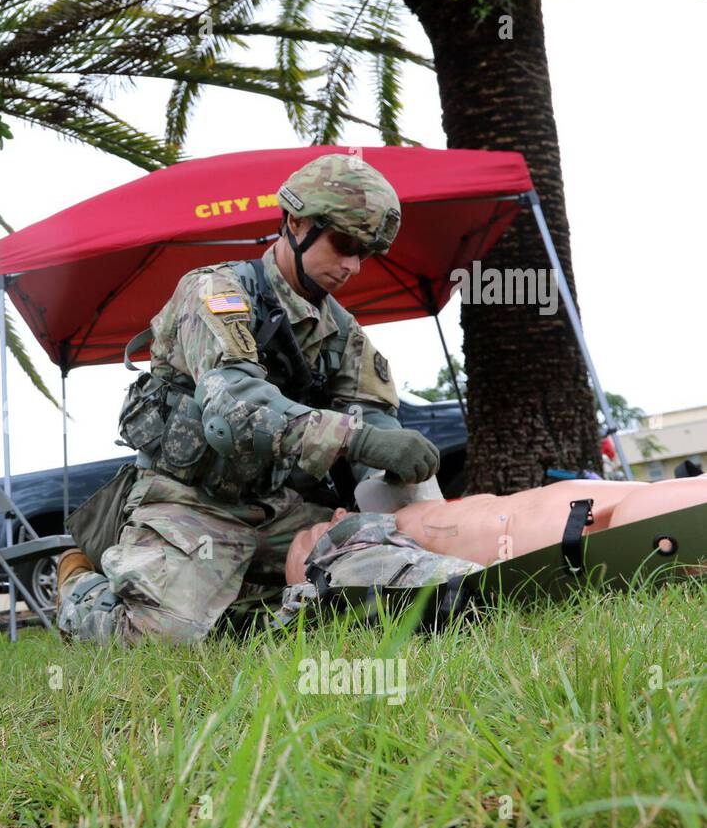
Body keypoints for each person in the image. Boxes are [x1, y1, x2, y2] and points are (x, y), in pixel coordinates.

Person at [55, 153, 464, 644]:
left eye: (365, 254)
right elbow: (233, 412)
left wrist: (392, 469)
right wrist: (360, 440)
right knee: (163, 640)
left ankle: (244, 597)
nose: (352, 266)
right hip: (190, 503)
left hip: (276, 509)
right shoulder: (216, 293)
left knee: (390, 571)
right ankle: (79, 582)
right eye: (344, 244)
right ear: (296, 222)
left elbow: (371, 413)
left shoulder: (341, 333)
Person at [284, 474, 707, 588]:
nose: (337, 513)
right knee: (649, 515)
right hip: (575, 532)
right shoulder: (354, 552)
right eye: (314, 533)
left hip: (580, 508)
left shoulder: (400, 513)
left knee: (654, 501)